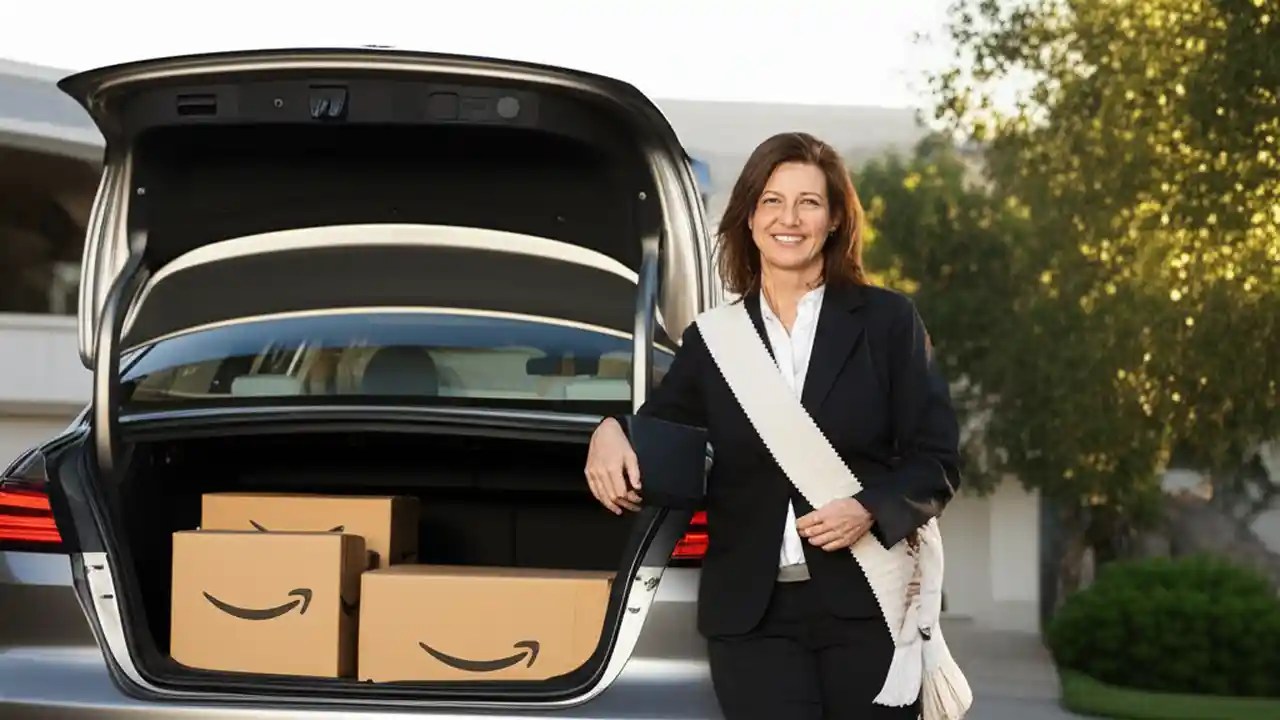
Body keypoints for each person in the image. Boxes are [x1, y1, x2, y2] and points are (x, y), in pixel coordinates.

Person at [584, 132, 962, 719]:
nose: (790, 219)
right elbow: (658, 428)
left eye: (809, 202)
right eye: (772, 201)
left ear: (835, 219)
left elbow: (935, 462)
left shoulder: (888, 323)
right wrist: (610, 429)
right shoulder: (713, 341)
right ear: (750, 218)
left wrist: (868, 506)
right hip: (752, 619)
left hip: (868, 604)